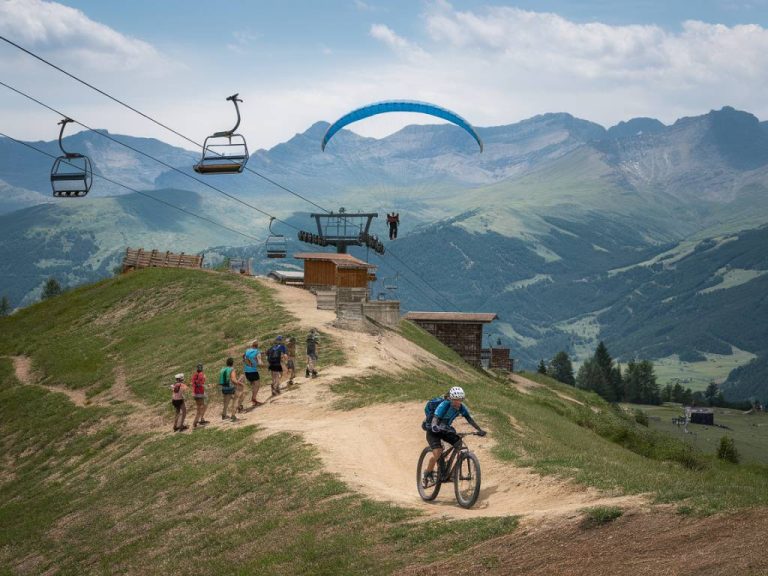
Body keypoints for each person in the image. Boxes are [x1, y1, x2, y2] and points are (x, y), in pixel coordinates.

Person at [422, 386, 486, 486]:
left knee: (458, 443)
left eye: (460, 399)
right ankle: (428, 472)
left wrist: (479, 430)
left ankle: (450, 468)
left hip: (445, 429)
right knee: (437, 452)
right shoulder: (445, 404)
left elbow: (469, 419)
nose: (458, 402)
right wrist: (434, 426)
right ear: (451, 398)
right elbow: (436, 417)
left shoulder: (461, 407)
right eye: (455, 399)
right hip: (433, 431)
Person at [243, 339, 264, 407]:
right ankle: (253, 399)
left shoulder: (247, 351)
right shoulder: (257, 352)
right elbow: (260, 362)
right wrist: (263, 365)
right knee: (257, 385)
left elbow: (244, 359)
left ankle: (253, 400)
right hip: (253, 371)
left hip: (246, 371)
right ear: (257, 346)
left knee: (253, 385)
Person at [218, 357, 241, 422]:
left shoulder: (223, 369)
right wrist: (239, 383)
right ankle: (233, 415)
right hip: (230, 387)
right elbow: (233, 379)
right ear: (232, 363)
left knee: (226, 401)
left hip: (224, 387)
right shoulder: (232, 369)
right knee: (235, 400)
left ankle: (224, 415)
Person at [191, 364, 209, 428]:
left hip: (195, 393)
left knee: (199, 408)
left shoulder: (194, 375)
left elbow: (193, 383)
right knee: (202, 407)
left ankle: (200, 419)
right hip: (200, 393)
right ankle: (195, 422)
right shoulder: (202, 374)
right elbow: (201, 383)